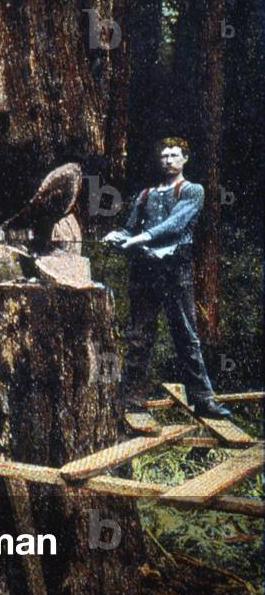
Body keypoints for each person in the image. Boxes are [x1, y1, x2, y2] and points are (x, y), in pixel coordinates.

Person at [102, 138, 230, 418]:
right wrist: (119, 236)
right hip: (145, 272)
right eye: (164, 156)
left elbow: (176, 225)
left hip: (175, 272)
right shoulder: (145, 194)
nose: (169, 160)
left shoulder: (192, 191)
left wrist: (139, 239)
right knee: (138, 337)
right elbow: (130, 228)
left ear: (185, 159)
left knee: (186, 336)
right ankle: (132, 401)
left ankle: (204, 400)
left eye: (174, 155)